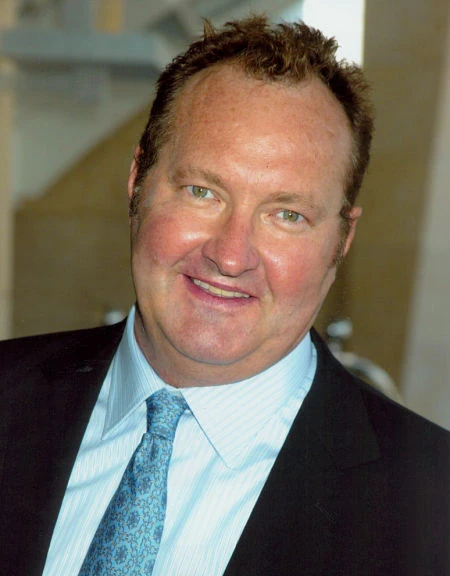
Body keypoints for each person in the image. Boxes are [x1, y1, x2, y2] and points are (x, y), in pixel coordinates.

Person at [0, 15, 448, 576]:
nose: (231, 256)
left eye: (288, 215)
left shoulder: (434, 510)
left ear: (342, 239)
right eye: (202, 191)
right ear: (137, 181)